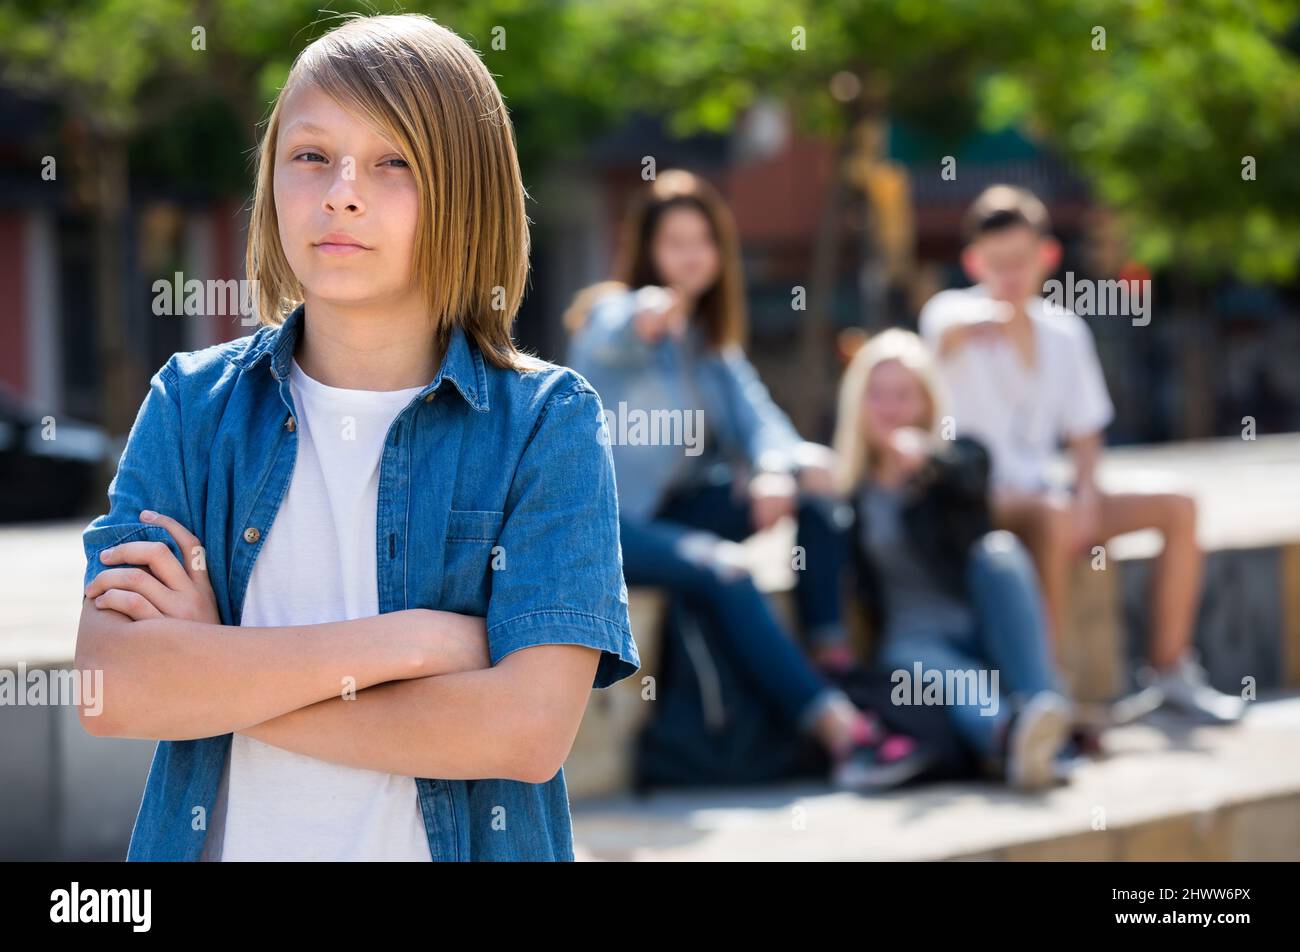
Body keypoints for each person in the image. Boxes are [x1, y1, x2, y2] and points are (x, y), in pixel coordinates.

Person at [75, 13, 640, 862]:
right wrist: (418, 642)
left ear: (467, 192)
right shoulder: (191, 407)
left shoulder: (546, 425)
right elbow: (114, 686)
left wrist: (212, 672)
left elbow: (524, 732)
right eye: (310, 156)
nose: (341, 190)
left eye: (394, 162)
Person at [566, 170, 927, 790]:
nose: (689, 256)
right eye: (673, 242)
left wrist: (769, 471)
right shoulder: (611, 317)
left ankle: (830, 653)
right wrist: (648, 311)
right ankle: (844, 734)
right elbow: (616, 330)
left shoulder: (711, 348)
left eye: (702, 241)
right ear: (647, 249)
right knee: (726, 569)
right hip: (603, 525)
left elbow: (767, 427)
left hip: (671, 515)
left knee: (815, 480)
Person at [918, 184, 1243, 724]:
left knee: (1178, 505)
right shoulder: (951, 312)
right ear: (973, 262)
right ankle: (1047, 688)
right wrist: (993, 321)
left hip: (1051, 494)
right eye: (997, 263)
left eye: (1021, 260)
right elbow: (941, 339)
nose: (1010, 274)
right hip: (979, 501)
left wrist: (1090, 494)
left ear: (1047, 256)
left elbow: (1085, 434)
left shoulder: (1065, 331)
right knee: (1054, 513)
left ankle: (1170, 671)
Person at [831, 328, 1074, 789]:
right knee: (955, 678)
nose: (890, 407)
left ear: (926, 402)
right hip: (912, 642)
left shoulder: (958, 463)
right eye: (878, 395)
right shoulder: (852, 499)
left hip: (980, 627)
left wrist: (931, 465)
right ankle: (1010, 739)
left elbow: (973, 481)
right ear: (858, 403)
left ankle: (1048, 725)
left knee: (999, 553)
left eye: (904, 395)